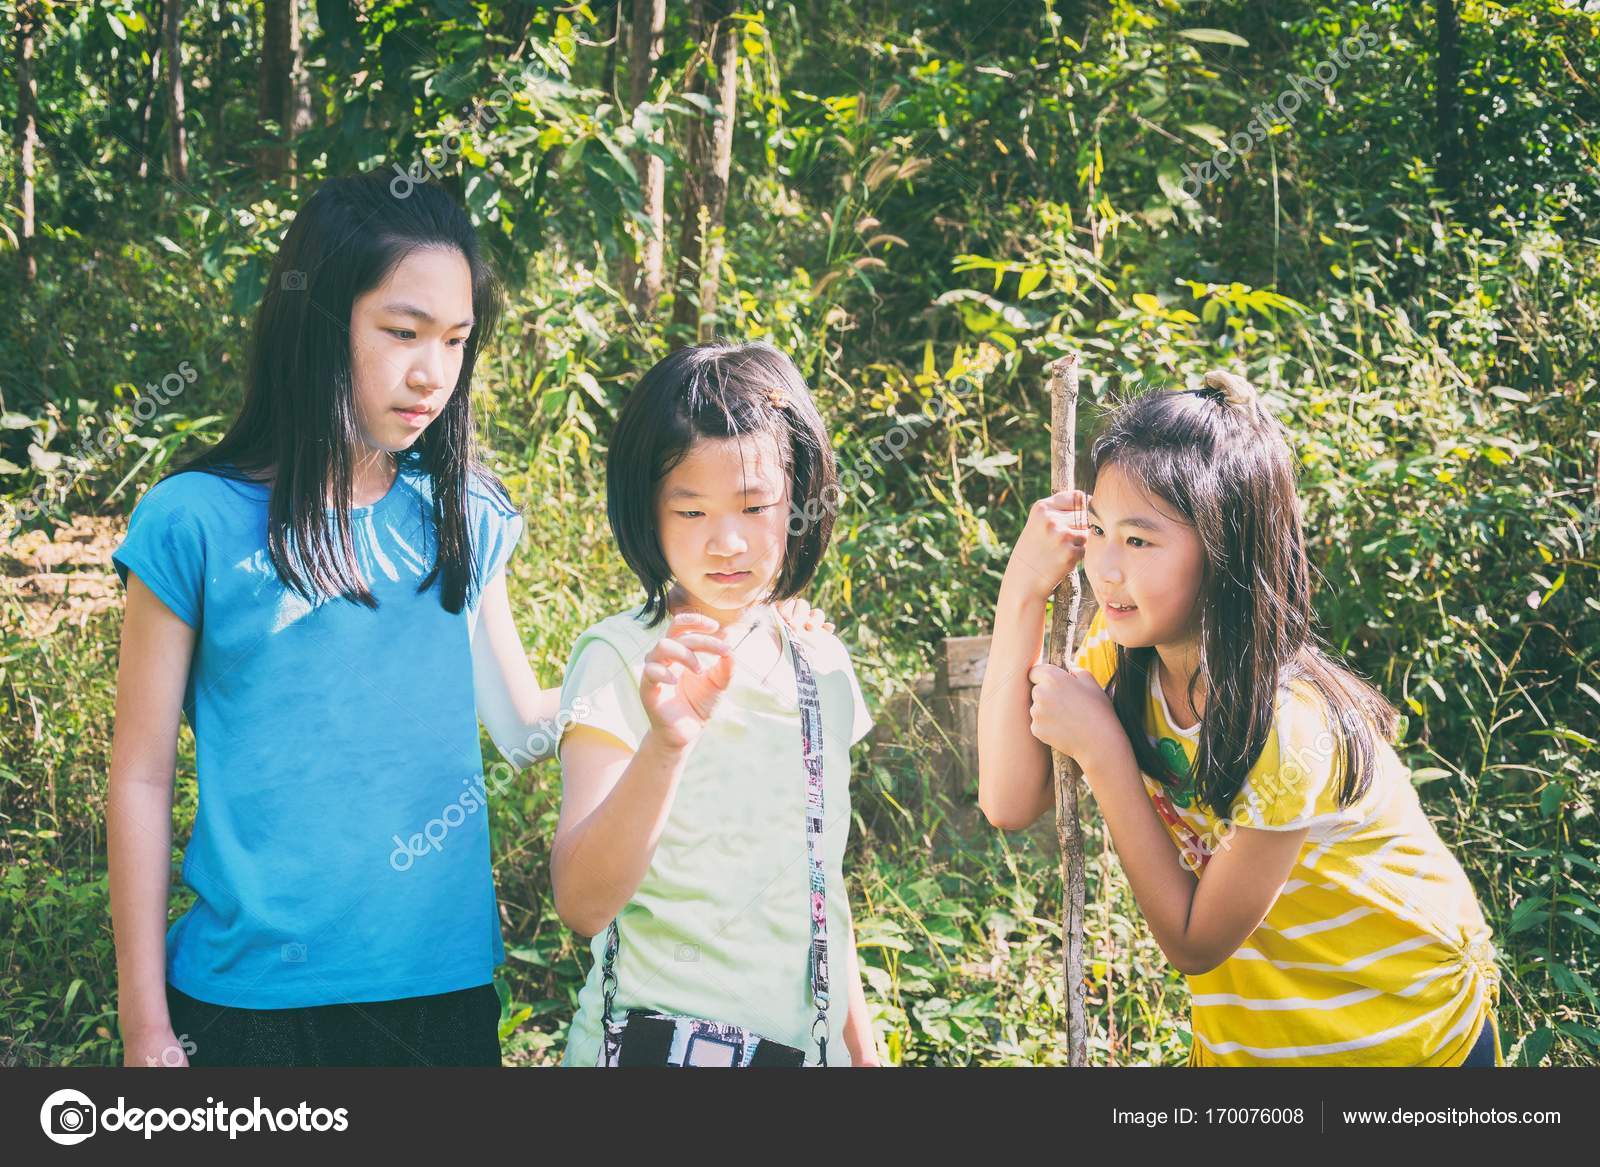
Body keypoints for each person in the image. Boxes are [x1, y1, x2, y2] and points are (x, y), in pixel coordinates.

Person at [978, 370, 1501, 1066]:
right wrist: (1020, 592)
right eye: (1098, 531)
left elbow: (1195, 943)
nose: (1105, 568)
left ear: (1223, 548)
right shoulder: (1120, 663)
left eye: (1139, 541)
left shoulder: (1292, 723)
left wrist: (1104, 752)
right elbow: (1008, 801)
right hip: (1258, 1051)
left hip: (1407, 1039)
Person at [553, 341, 879, 1067]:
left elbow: (822, 889)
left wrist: (864, 1051)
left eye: (755, 504)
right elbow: (580, 901)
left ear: (799, 494)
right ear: (648, 511)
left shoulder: (819, 663)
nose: (726, 540)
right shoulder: (619, 659)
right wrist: (667, 744)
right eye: (692, 509)